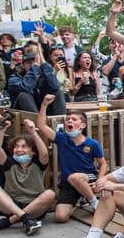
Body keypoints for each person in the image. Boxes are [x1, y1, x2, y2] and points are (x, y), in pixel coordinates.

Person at [0, 120, 56, 236]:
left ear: (33, 151)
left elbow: (44, 154)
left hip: (34, 206)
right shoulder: (9, 163)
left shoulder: (38, 164)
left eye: (24, 147)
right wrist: (1, 129)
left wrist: (33, 132)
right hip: (11, 206)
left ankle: (7, 222)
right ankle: (25, 218)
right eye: (16, 147)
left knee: (50, 194)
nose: (19, 149)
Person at [35, 95, 107, 224]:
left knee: (75, 177)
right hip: (68, 183)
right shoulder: (62, 139)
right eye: (67, 119)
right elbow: (41, 126)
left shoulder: (92, 143)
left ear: (83, 125)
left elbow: (103, 163)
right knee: (60, 217)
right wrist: (44, 104)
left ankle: (94, 203)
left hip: (88, 177)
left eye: (74, 119)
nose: (69, 121)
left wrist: (100, 180)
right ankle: (80, 199)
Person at [8, 44, 67, 115]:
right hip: (22, 113)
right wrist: (35, 66)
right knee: (24, 95)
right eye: (28, 63)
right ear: (23, 66)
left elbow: (55, 86)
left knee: (58, 92)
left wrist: (44, 64)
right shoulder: (14, 78)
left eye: (34, 62)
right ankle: (37, 122)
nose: (32, 65)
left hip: (41, 110)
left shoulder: (41, 77)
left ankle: (60, 122)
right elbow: (25, 88)